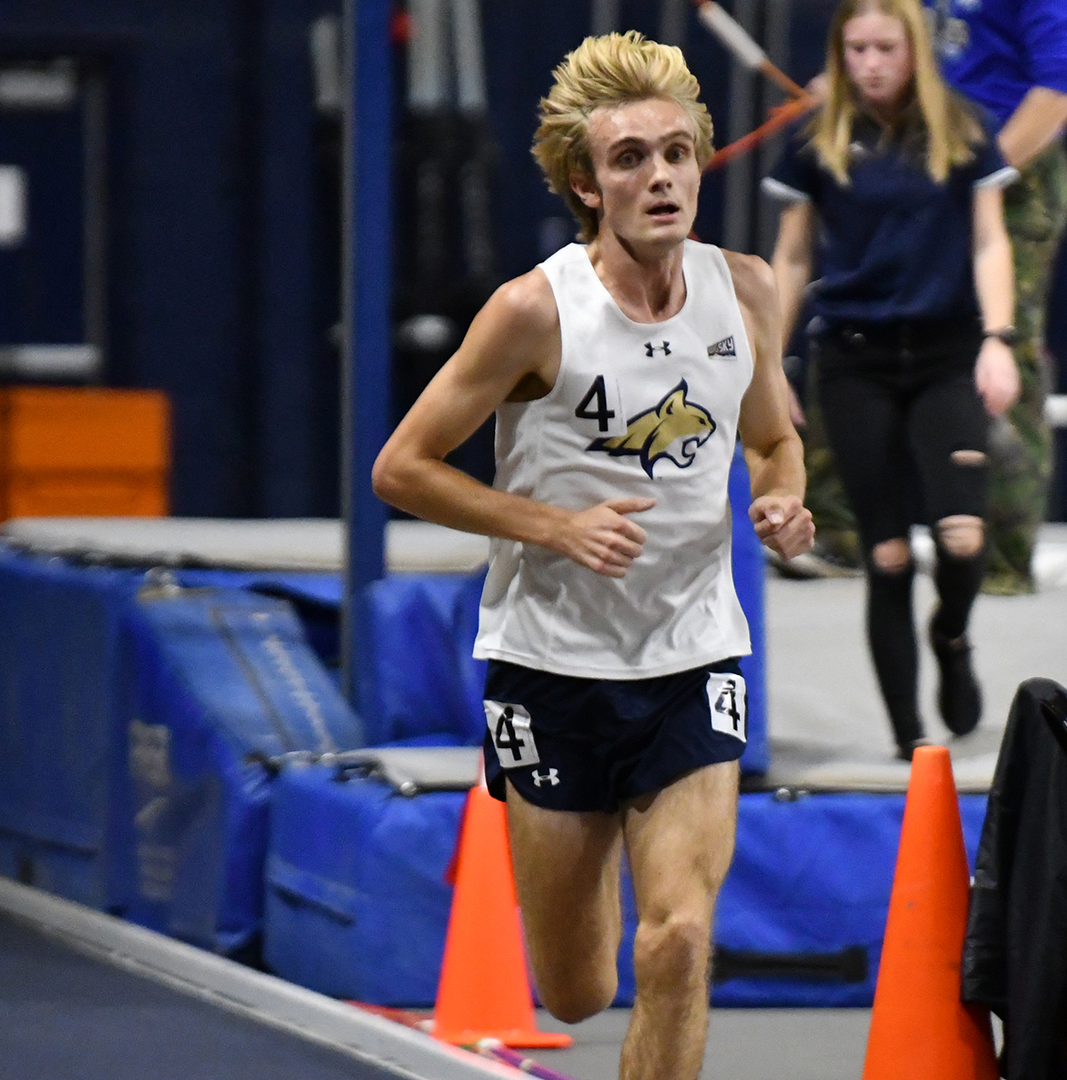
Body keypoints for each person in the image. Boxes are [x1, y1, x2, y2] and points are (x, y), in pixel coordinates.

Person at [371, 31, 813, 1080]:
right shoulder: (534, 312)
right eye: (630, 159)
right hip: (551, 665)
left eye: (677, 153)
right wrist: (553, 526)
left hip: (693, 654)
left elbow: (772, 437)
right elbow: (401, 468)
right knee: (576, 987)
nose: (660, 178)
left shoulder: (746, 289)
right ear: (586, 184)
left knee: (680, 941)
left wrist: (784, 499)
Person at [764, 0, 1019, 758]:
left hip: (945, 352)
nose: (872, 65)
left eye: (886, 48)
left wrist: (998, 340)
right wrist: (768, 363)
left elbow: (989, 241)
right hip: (854, 360)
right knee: (887, 555)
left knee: (963, 536)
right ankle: (912, 743)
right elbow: (792, 257)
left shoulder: (962, 128)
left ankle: (952, 635)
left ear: (915, 51)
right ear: (840, 54)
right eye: (857, 50)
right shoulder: (818, 136)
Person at [928, 0, 1067, 595]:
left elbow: (1059, 93)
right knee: (867, 322)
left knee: (1004, 348)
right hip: (930, 161)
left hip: (1016, 168)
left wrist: (983, 174)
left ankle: (1005, 555)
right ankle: (841, 533)